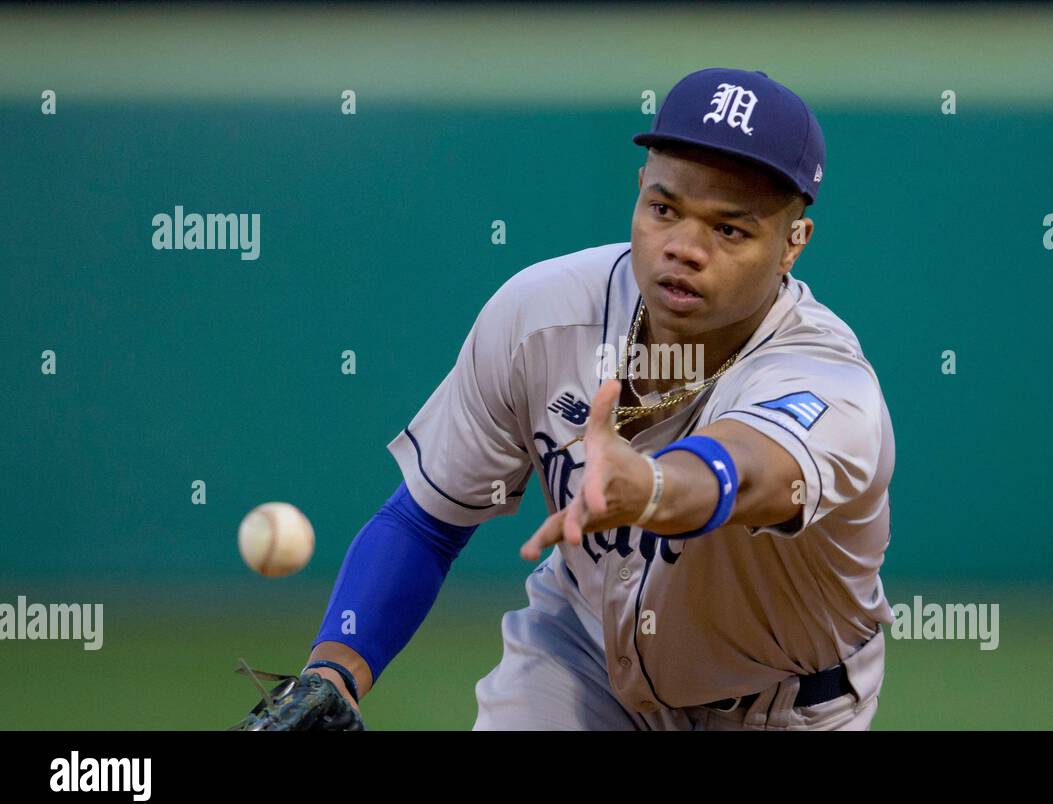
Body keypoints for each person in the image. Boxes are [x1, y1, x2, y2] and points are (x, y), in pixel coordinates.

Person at [297, 67, 895, 730]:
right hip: (581, 660)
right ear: (640, 191)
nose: (683, 248)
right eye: (665, 209)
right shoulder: (541, 315)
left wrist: (657, 486)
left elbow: (754, 467)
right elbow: (427, 520)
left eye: (730, 230)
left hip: (781, 705)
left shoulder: (829, 379)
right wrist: (333, 672)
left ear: (793, 244)